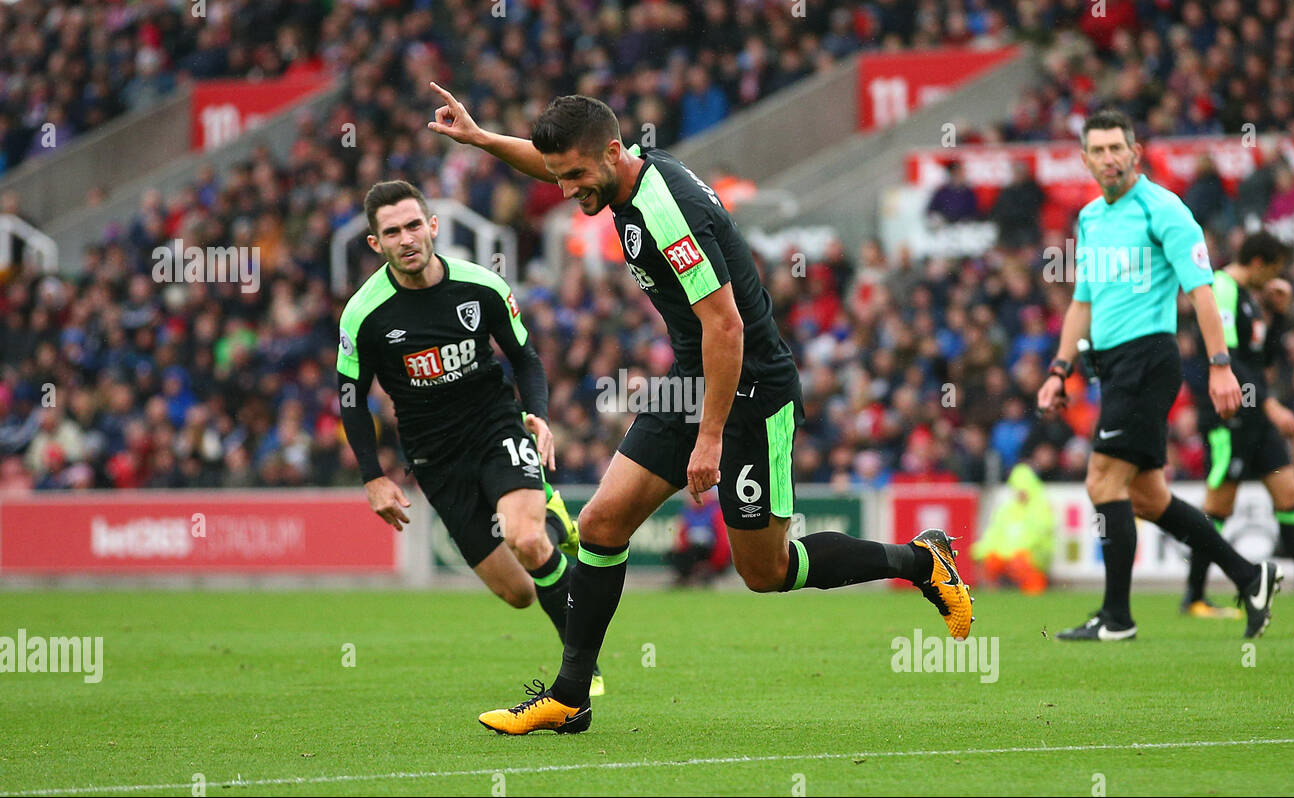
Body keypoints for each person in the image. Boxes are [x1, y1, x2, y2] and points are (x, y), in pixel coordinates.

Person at [427, 83, 973, 735]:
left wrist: (709, 437)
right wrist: (484, 138)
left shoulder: (665, 211)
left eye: (574, 176)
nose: (566, 190)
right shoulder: (614, 175)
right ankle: (571, 696)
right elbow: (551, 164)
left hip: (750, 390)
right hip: (694, 377)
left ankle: (921, 561)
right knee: (601, 524)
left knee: (766, 571)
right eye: (560, 176)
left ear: (610, 151)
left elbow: (728, 327)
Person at [336, 180, 605, 696]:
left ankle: (579, 669)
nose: (407, 238)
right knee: (520, 593)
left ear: (433, 226)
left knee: (526, 540)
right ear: (376, 244)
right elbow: (351, 396)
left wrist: (539, 414)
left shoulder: (480, 285)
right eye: (392, 232)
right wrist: (372, 476)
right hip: (435, 458)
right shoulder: (364, 314)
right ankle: (550, 516)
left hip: (495, 427)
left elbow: (525, 357)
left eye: (415, 225)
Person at [1037, 109, 1281, 642]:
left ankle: (1117, 618)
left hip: (1148, 360)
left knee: (1102, 478)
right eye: (1097, 151)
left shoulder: (1164, 210)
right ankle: (1249, 574)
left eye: (1115, 149)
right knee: (1147, 496)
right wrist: (1060, 369)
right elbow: (1082, 302)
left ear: (1135, 152)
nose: (1107, 159)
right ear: (1084, 159)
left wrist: (1220, 367)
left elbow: (1202, 291)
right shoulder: (1090, 218)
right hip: (1111, 366)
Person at [1183, 231, 1294, 618]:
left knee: (1290, 497)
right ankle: (1194, 597)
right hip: (1229, 416)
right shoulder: (1223, 288)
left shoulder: (1249, 298)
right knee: (1219, 505)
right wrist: (1269, 405)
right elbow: (1228, 359)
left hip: (1256, 421)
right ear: (1261, 263)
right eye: (1277, 268)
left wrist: (1278, 316)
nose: (1280, 277)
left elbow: (1260, 361)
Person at [971, 463, 1055, 595]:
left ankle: (1031, 591)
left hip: (1031, 559)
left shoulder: (1041, 508)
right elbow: (994, 534)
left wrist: (1017, 553)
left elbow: (1040, 537)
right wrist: (980, 551)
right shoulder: (1007, 509)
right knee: (991, 561)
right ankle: (994, 595)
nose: (1020, 492)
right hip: (1010, 557)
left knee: (1022, 565)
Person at [666, 492, 731, 586]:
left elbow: (723, 542)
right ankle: (687, 577)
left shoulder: (715, 512)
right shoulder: (686, 513)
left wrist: (714, 563)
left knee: (698, 551)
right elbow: (680, 540)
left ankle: (704, 575)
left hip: (710, 551)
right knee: (674, 555)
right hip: (693, 552)